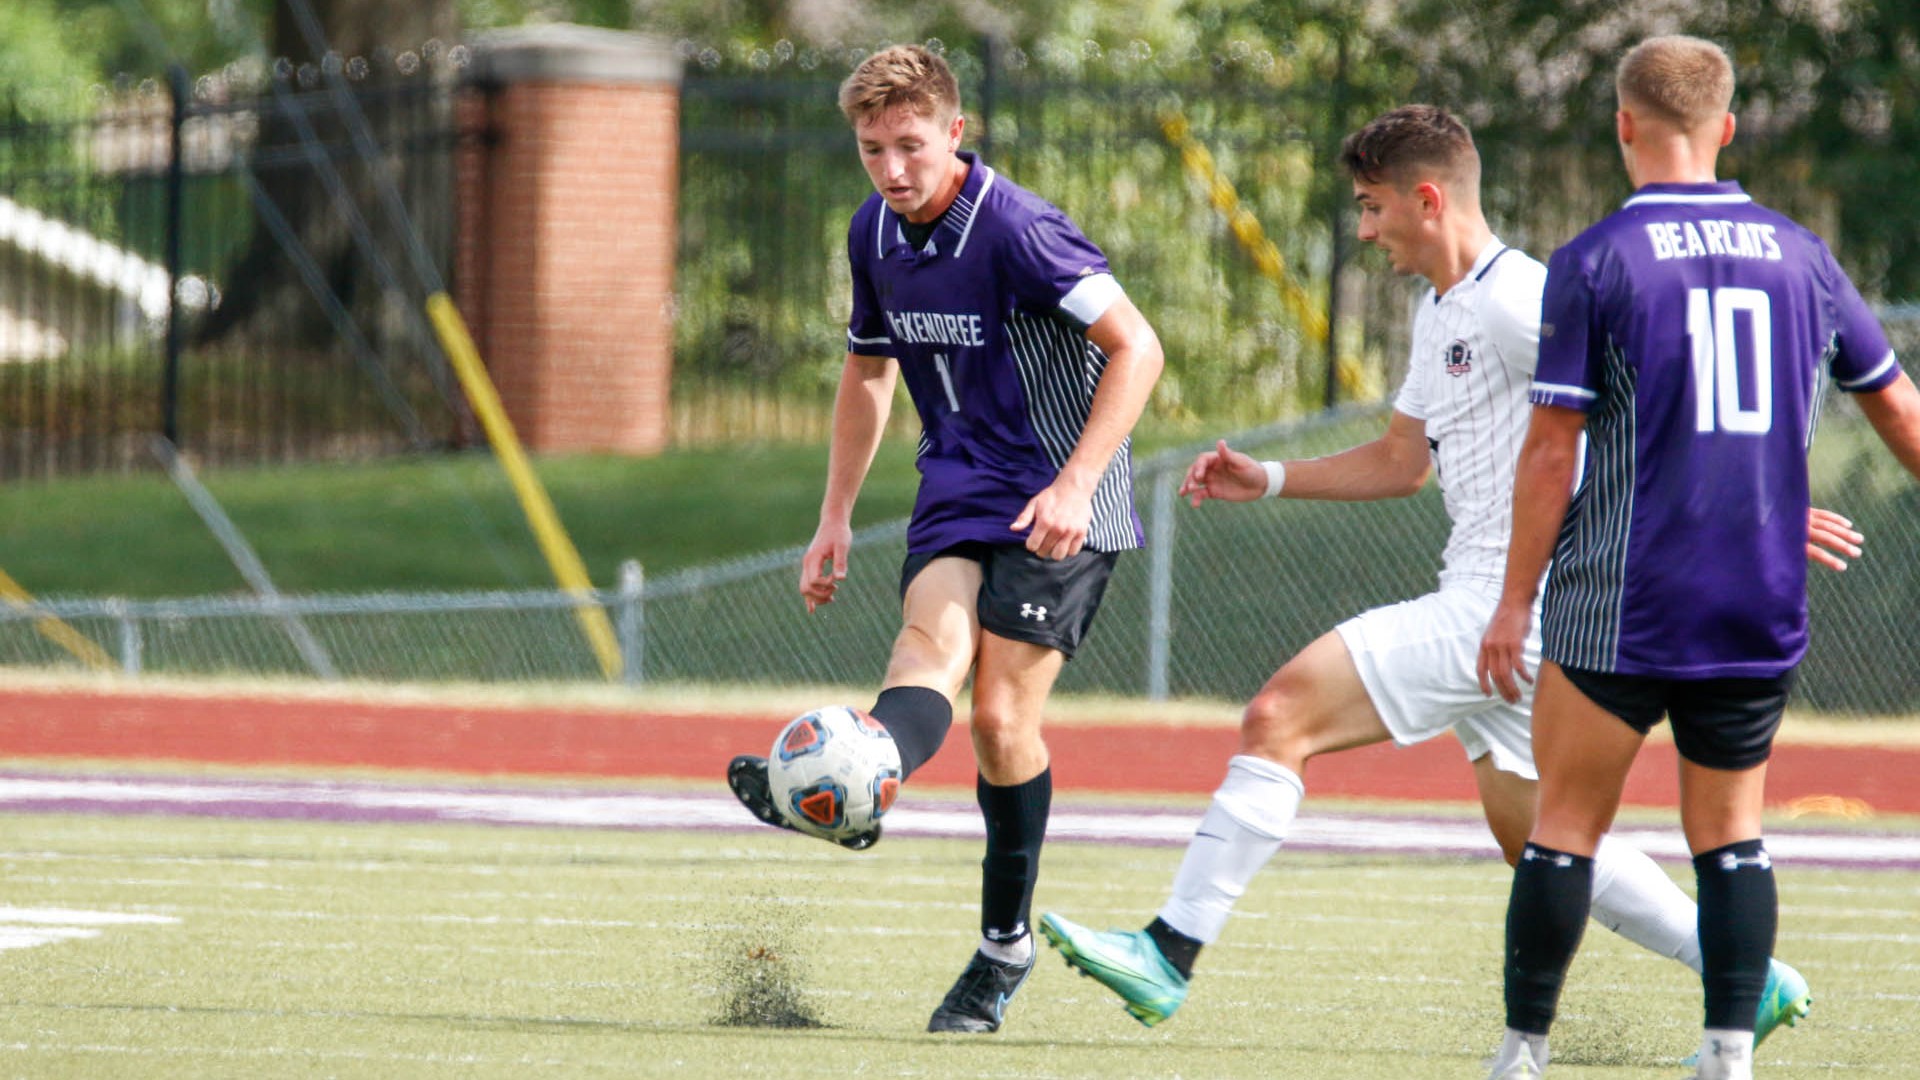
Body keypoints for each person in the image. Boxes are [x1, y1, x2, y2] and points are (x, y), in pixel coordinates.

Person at [1036, 104, 1853, 1045]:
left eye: (1373, 207)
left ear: (1428, 198)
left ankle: (1167, 952)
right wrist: (1269, 480)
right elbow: (1401, 460)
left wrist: (1761, 509)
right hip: (1495, 595)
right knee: (1536, 834)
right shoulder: (1442, 308)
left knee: (1279, 714)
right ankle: (1744, 976)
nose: (1366, 229)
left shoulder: (1520, 298)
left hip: (1520, 598)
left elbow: (1657, 396)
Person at [1476, 36, 1920, 1080]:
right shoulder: (1805, 255)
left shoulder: (1594, 260)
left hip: (1619, 603)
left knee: (1565, 828)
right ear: (1726, 129)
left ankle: (1520, 1055)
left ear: (1624, 124)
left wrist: (1512, 600)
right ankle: (1728, 1055)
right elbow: (1896, 408)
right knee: (1731, 836)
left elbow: (1552, 452)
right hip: (1752, 601)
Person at [724, 44, 1164, 1035]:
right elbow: (870, 372)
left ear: (954, 133)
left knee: (1002, 721)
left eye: (910, 145)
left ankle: (1001, 953)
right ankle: (860, 783)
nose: (891, 167)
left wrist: (1078, 481)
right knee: (925, 651)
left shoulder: (1021, 230)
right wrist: (834, 514)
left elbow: (1139, 346)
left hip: (1061, 493)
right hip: (960, 487)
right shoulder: (872, 232)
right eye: (872, 148)